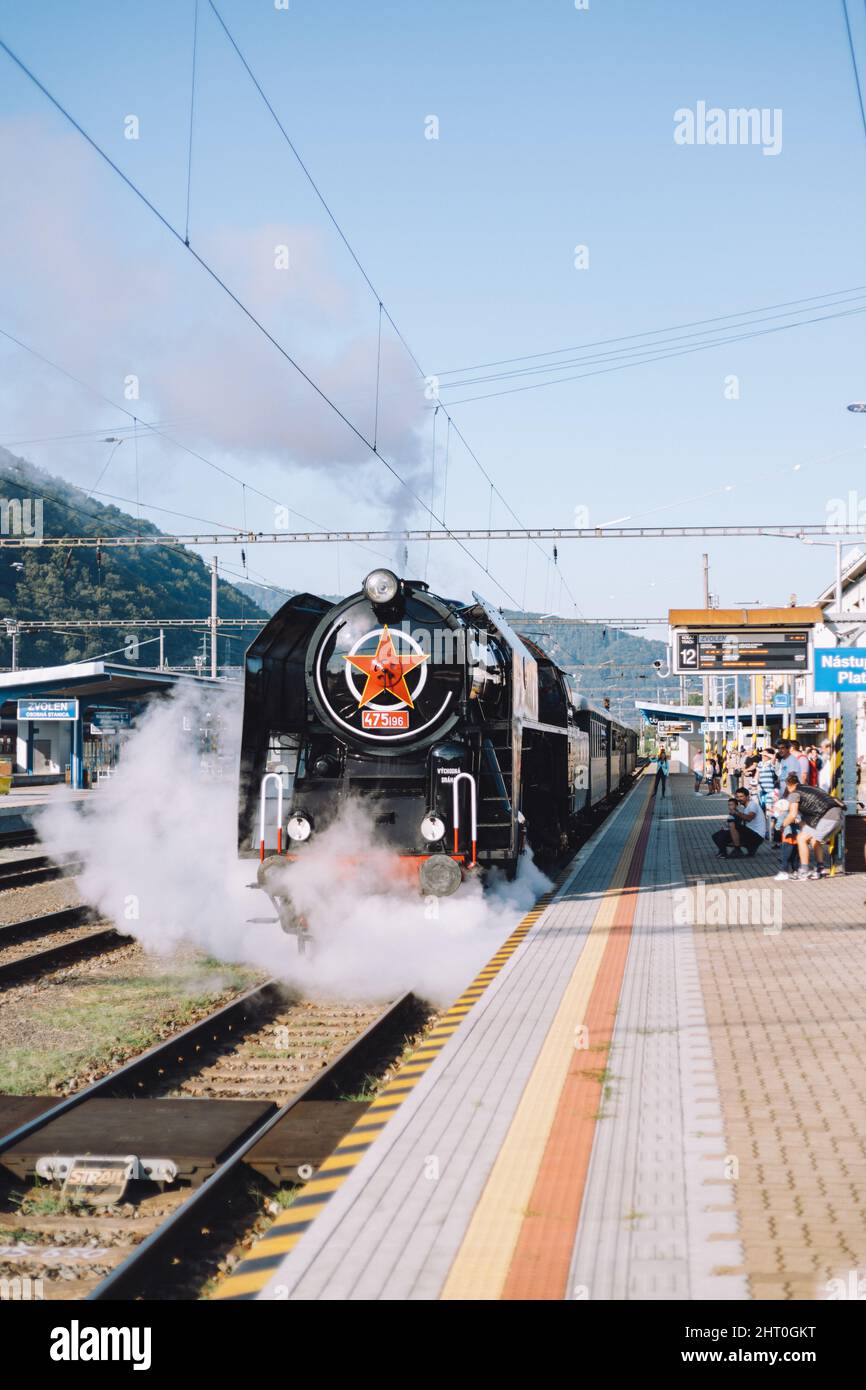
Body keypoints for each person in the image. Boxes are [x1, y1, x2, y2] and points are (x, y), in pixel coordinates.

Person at [779, 773, 844, 880]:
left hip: (827, 817)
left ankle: (804, 870)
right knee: (814, 839)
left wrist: (781, 826)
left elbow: (792, 814)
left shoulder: (794, 794)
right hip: (838, 816)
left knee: (801, 838)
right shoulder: (810, 787)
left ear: (788, 785)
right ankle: (820, 868)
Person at [711, 787, 766, 858]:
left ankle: (738, 850)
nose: (739, 799)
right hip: (750, 834)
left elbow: (749, 818)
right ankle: (723, 852)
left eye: (741, 796)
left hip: (757, 836)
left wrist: (736, 813)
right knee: (717, 835)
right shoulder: (745, 808)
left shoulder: (752, 805)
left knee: (732, 824)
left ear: (747, 797)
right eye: (737, 797)